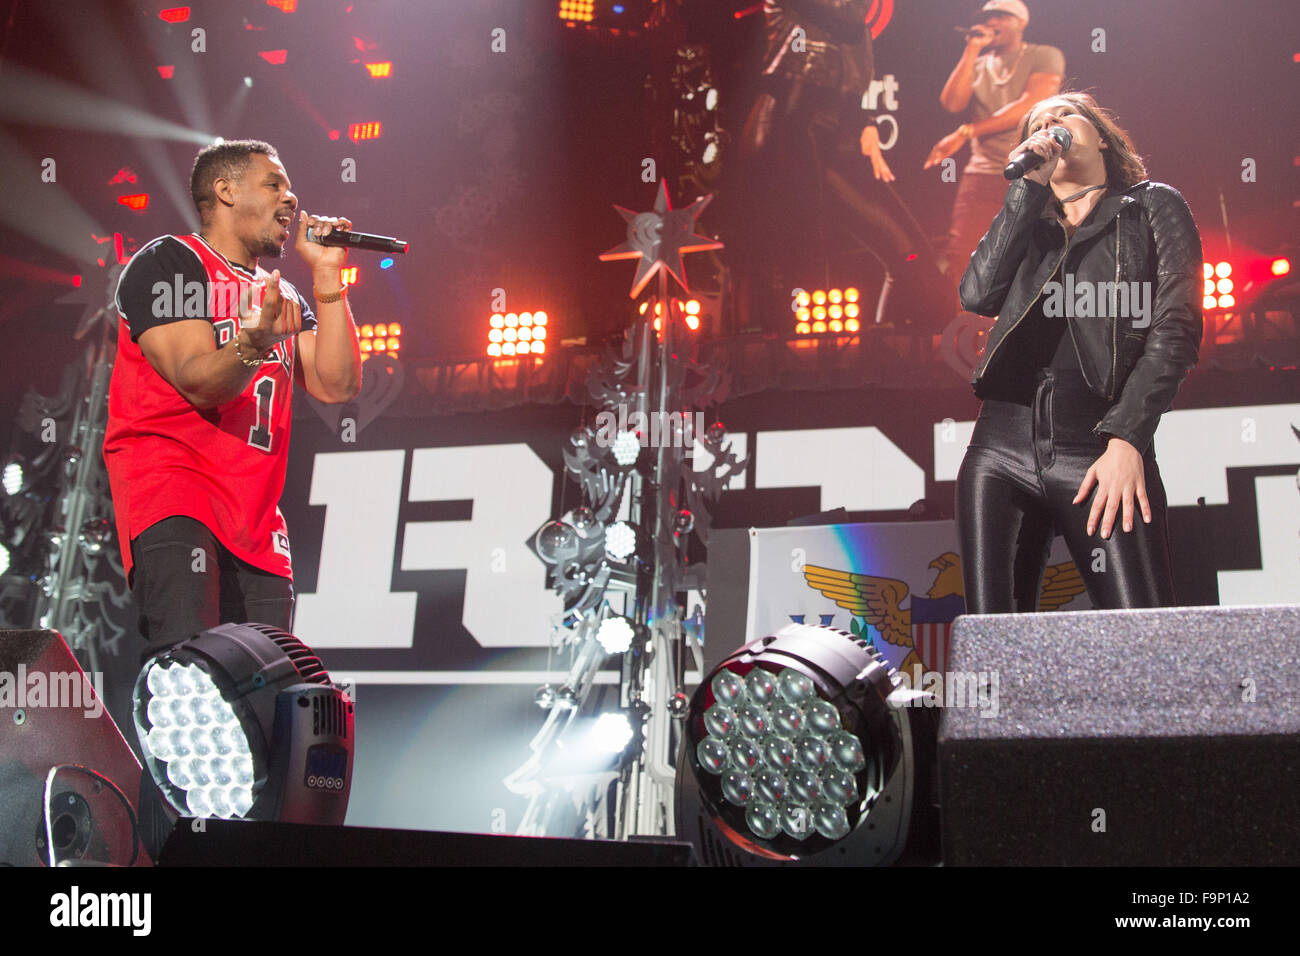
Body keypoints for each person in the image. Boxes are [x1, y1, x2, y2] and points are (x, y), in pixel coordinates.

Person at [104, 139, 363, 657]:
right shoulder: (172, 261)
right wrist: (251, 344)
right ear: (224, 191)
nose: (291, 200)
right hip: (176, 494)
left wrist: (328, 275)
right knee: (193, 674)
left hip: (257, 521)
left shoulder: (281, 293)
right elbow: (196, 378)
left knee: (265, 696)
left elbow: (337, 385)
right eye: (274, 185)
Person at [954, 92, 1203, 613]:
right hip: (1001, 444)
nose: (1050, 124)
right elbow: (978, 295)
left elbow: (1174, 328)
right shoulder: (1031, 223)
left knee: (1142, 631)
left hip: (1095, 442)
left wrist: (1127, 439)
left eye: (1064, 115)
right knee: (995, 637)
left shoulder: (1152, 205)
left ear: (1103, 138)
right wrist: (1026, 192)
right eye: (1038, 124)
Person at [923, 0, 1063, 280]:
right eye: (988, 18)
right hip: (984, 170)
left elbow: (1031, 104)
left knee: (1034, 252)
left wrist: (967, 132)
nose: (992, 23)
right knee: (962, 251)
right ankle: (966, 322)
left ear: (1021, 22)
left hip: (1033, 169)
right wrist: (972, 48)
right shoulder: (977, 64)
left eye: (1001, 16)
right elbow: (952, 103)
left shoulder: (1045, 55)